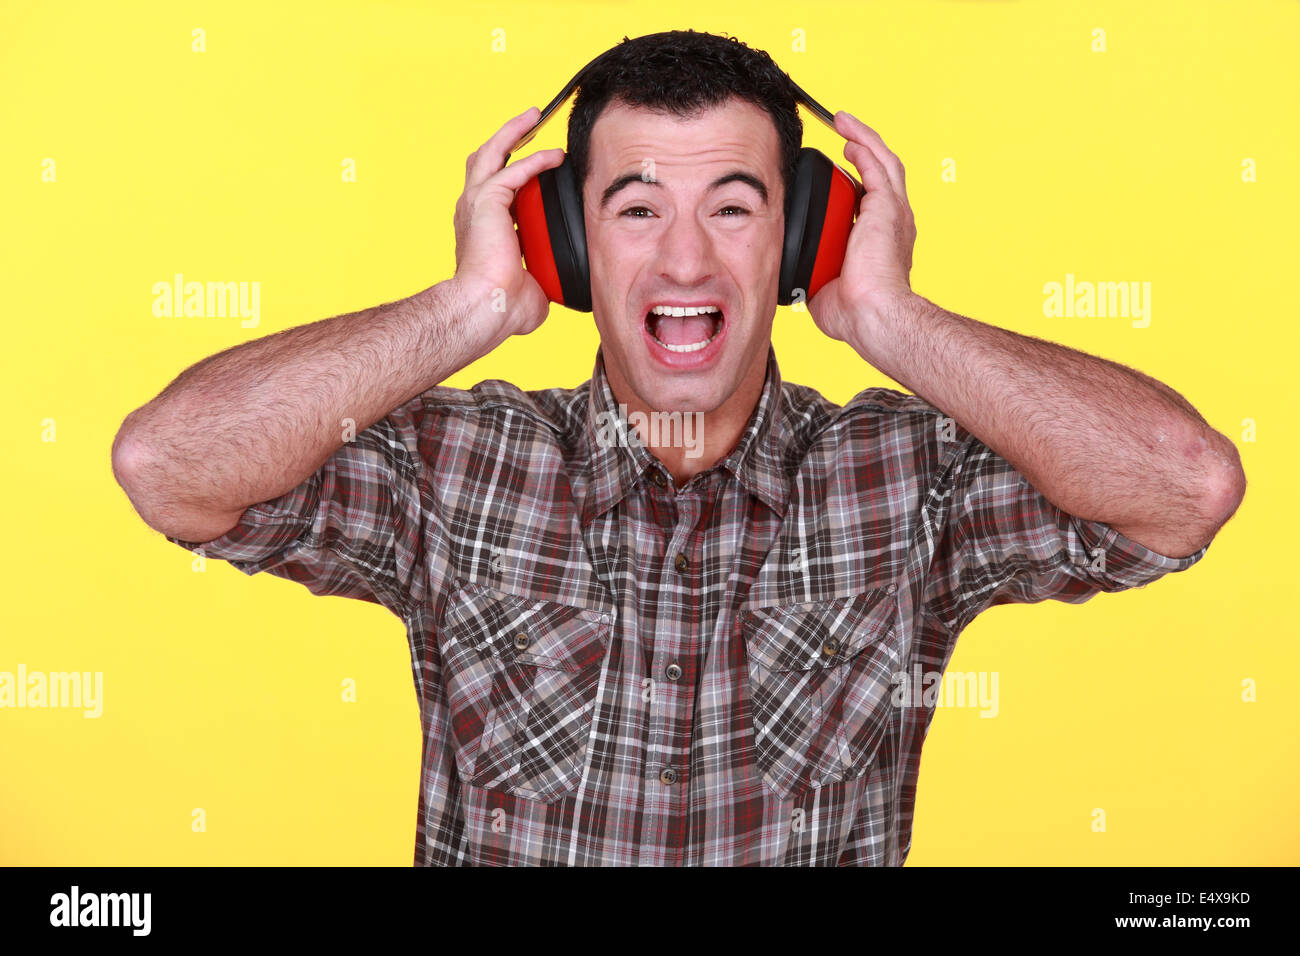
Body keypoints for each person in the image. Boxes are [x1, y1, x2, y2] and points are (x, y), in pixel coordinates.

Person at [110, 30, 1245, 866]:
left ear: (805, 237)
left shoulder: (908, 482)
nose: (687, 263)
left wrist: (898, 323)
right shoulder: (449, 468)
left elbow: (1182, 488)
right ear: (562, 242)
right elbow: (169, 465)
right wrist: (464, 310)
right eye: (637, 208)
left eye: (737, 208)